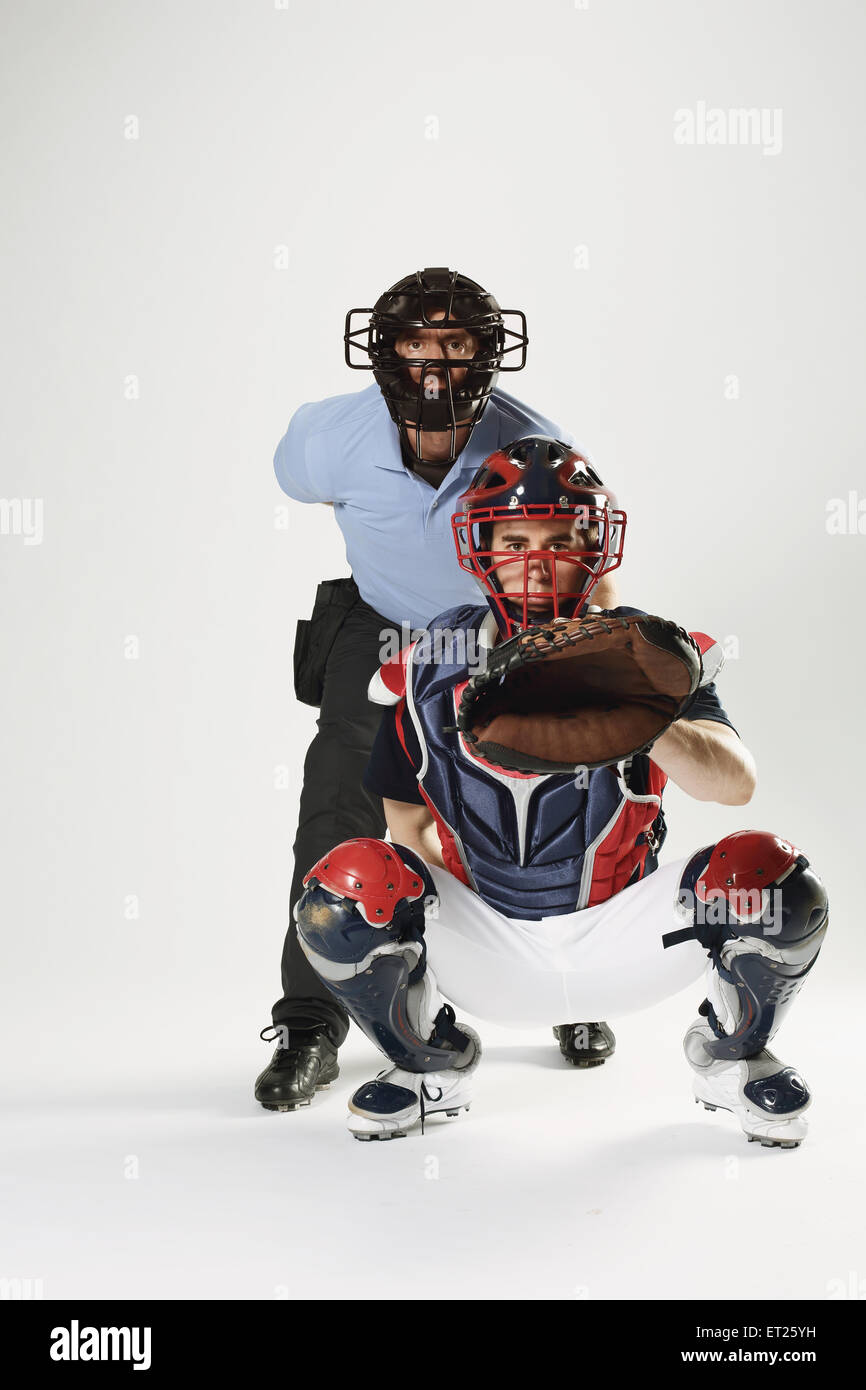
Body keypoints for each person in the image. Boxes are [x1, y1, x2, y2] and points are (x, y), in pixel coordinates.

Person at [294, 435, 829, 1145]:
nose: (536, 560)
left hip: (623, 937)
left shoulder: (650, 653)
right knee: (344, 889)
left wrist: (643, 713)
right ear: (479, 544)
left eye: (560, 537)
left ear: (595, 546)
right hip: (490, 948)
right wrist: (461, 908)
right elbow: (405, 826)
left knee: (771, 878)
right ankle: (426, 1062)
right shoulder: (433, 663)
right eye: (514, 537)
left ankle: (733, 1059)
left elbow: (734, 785)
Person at [257, 271, 619, 1112]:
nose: (436, 364)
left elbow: (584, 547)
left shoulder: (528, 439)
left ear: (487, 354)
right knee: (339, 802)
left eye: (456, 345)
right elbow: (293, 481)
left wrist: (585, 649)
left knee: (540, 799)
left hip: (494, 631)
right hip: (383, 622)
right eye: (418, 344)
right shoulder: (328, 438)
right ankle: (312, 1019)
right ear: (385, 354)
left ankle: (572, 989)